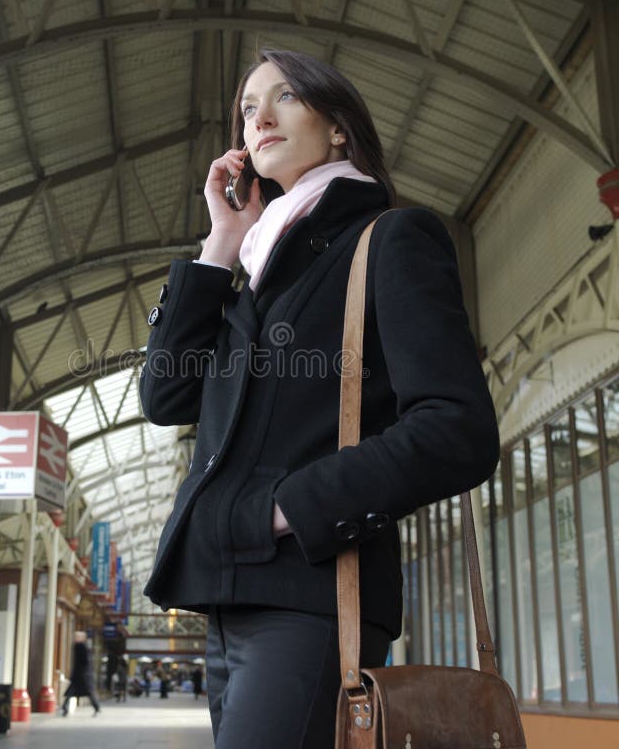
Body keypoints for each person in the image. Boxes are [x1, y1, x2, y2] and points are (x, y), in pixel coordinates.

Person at [139, 48, 499, 748]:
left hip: (314, 598)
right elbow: (167, 394)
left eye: (285, 97)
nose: (259, 117)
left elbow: (458, 429)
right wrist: (220, 244)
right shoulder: (252, 275)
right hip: (226, 603)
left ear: (338, 128)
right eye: (247, 108)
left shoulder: (390, 241)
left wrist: (289, 509)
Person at [61, 631, 100, 717]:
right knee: (73, 692)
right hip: (81, 675)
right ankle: (65, 707)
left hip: (82, 676)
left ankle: (96, 706)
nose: (75, 638)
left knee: (86, 692)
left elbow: (83, 662)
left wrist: (79, 673)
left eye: (77, 637)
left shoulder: (80, 647)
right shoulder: (81, 647)